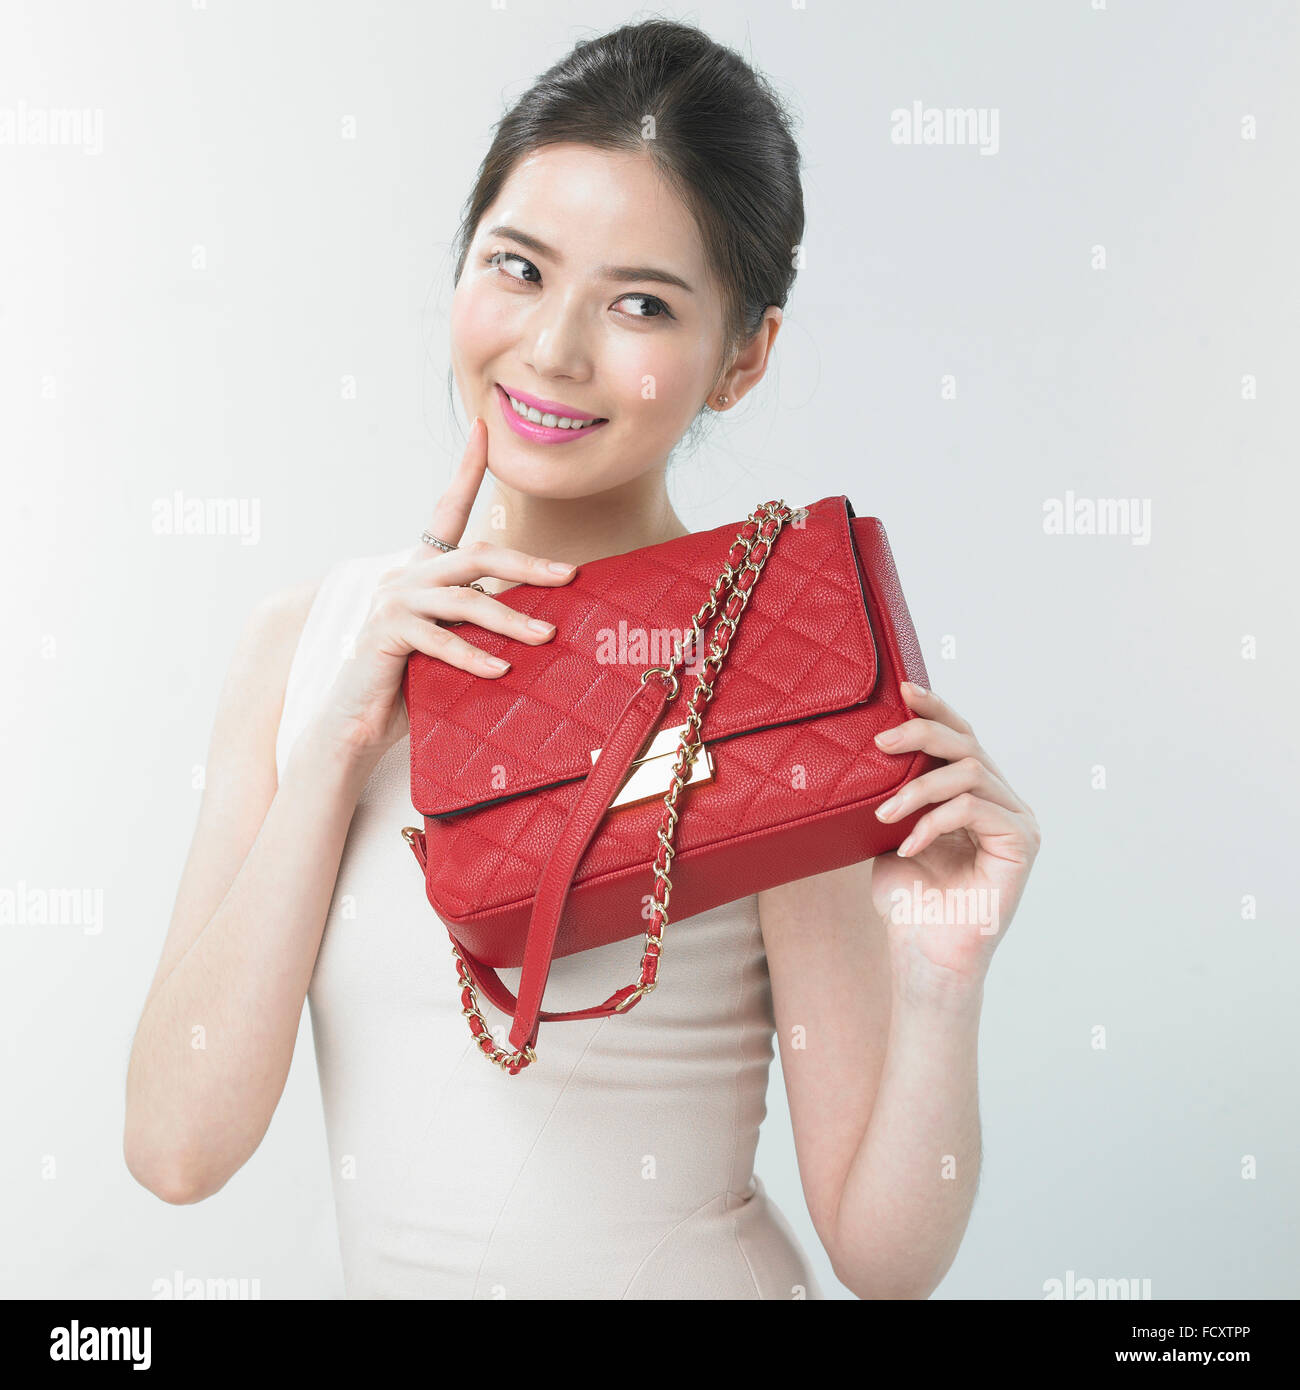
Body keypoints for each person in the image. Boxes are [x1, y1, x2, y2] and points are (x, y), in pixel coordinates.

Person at [124, 18, 1041, 1300]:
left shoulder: (774, 673)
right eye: (517, 266)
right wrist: (341, 739)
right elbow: (174, 1148)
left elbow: (885, 1263)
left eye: (640, 303)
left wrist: (945, 976)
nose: (552, 350)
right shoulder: (302, 648)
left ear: (743, 357)